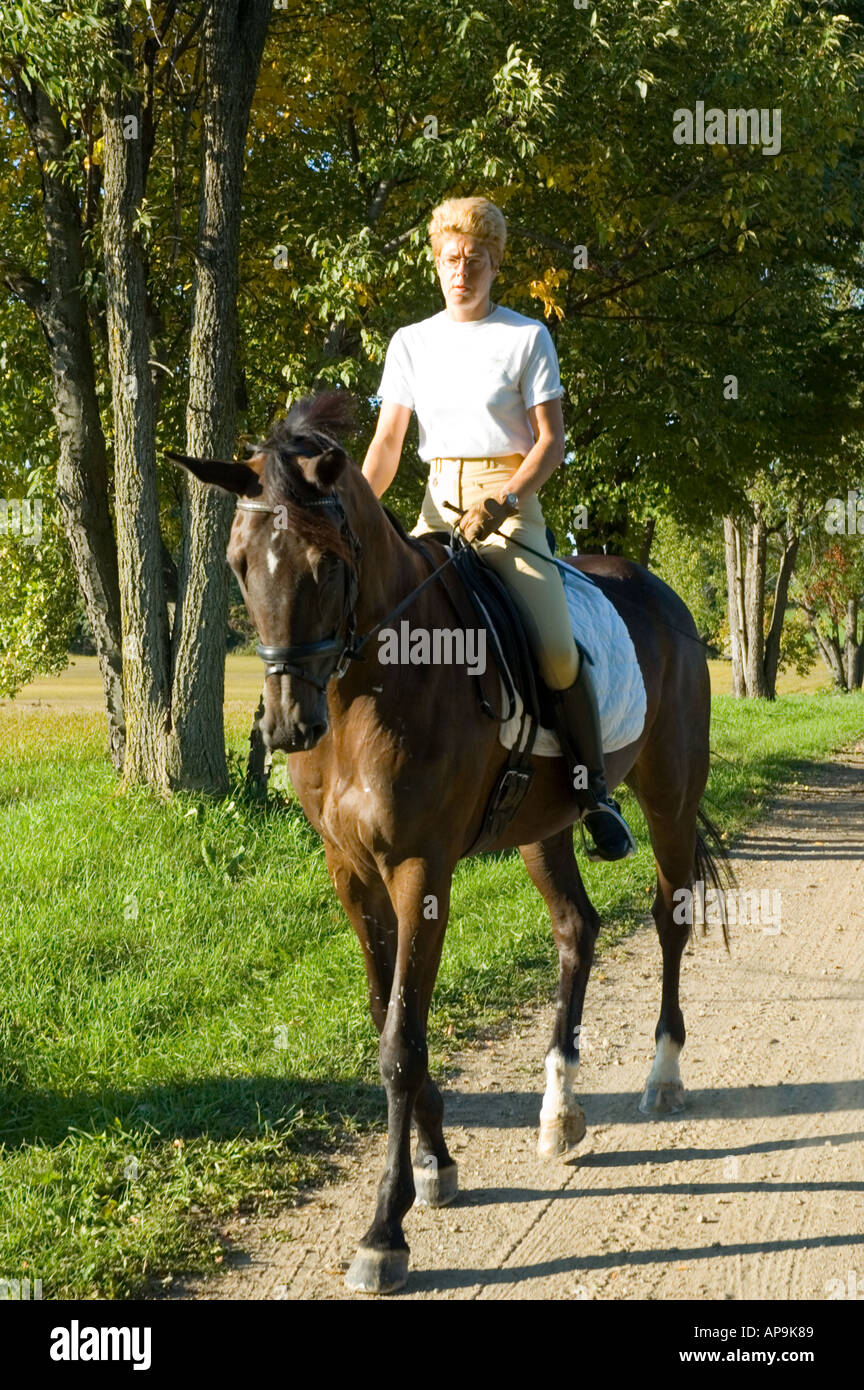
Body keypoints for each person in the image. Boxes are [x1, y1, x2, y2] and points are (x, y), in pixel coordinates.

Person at [361, 195, 635, 862]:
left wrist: (506, 501)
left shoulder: (525, 337)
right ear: (436, 262)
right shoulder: (410, 343)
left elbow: (551, 441)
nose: (462, 271)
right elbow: (389, 444)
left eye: (475, 262)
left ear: (495, 265)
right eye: (451, 259)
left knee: (558, 650)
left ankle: (592, 789)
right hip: (435, 507)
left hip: (508, 509)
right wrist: (354, 517)